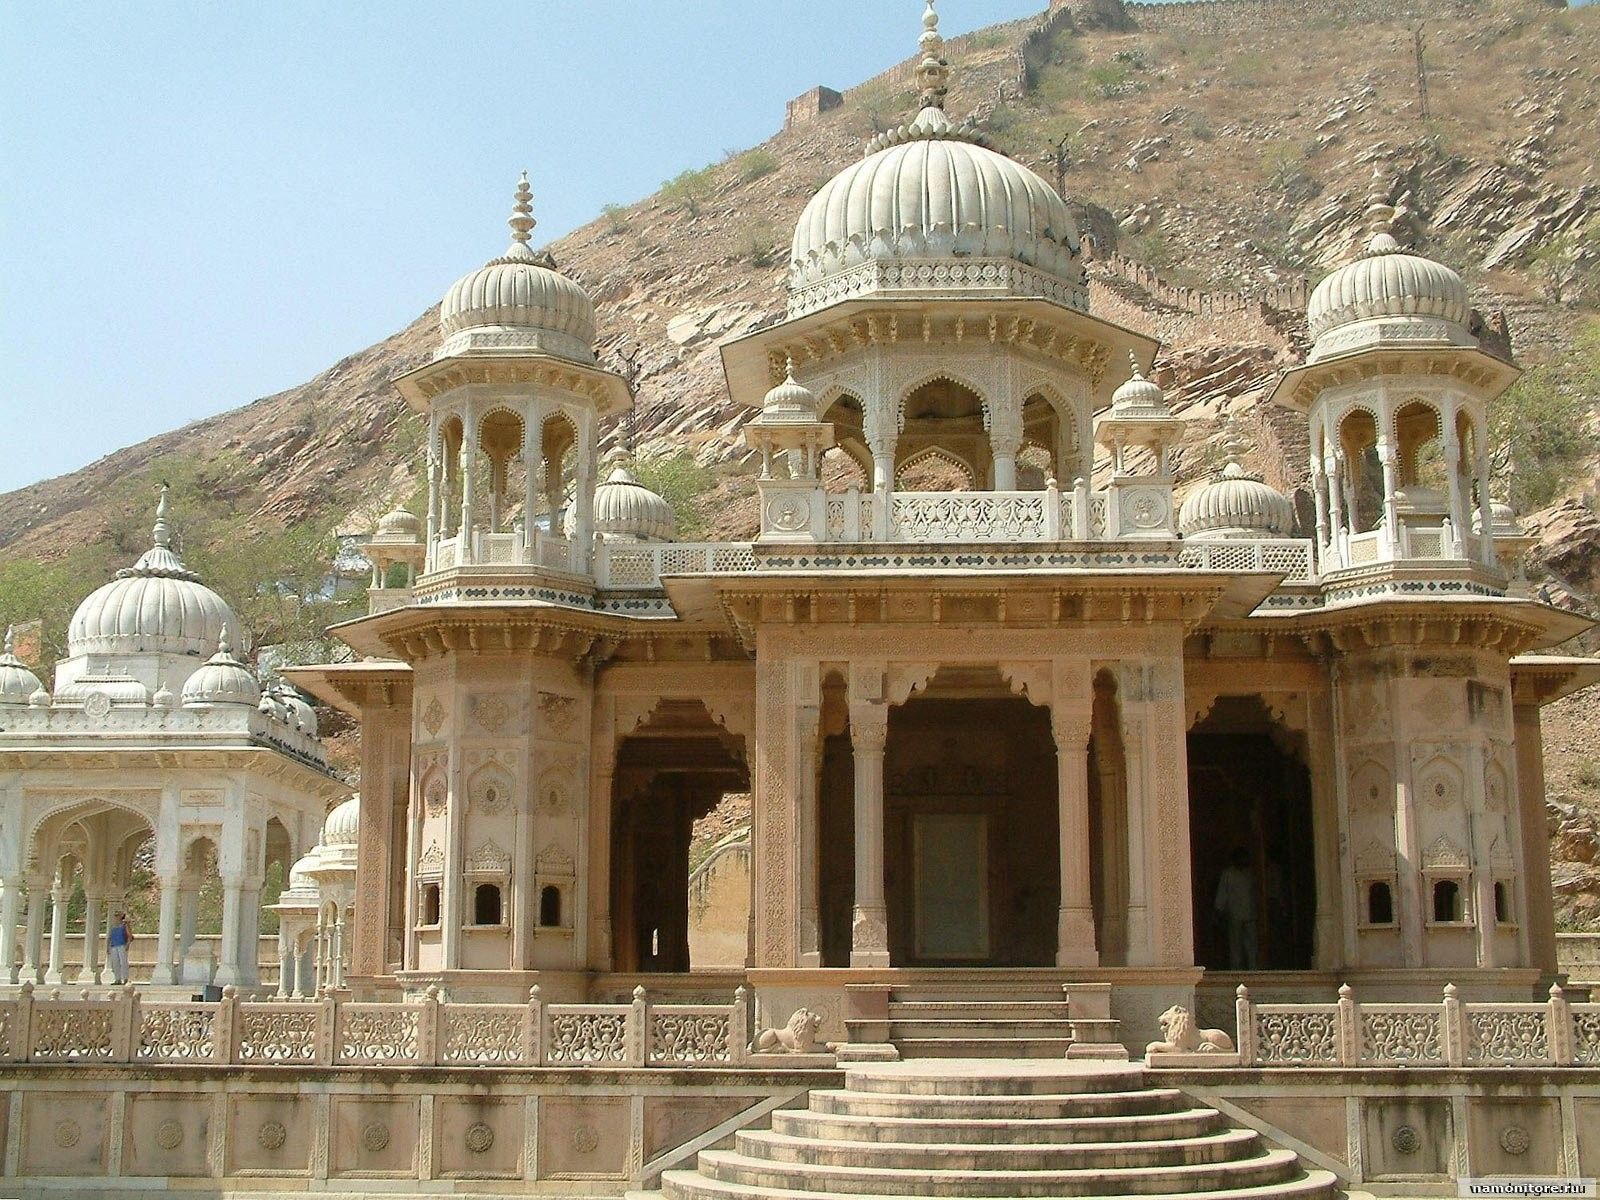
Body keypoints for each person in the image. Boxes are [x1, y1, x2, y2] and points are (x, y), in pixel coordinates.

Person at [1213, 848, 1257, 971]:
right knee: (1235, 945)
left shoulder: (1251, 873)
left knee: (1251, 944)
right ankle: (1236, 970)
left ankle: (1253, 969)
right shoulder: (1228, 874)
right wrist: (1219, 911)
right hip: (1234, 915)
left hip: (1250, 913)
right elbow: (1222, 894)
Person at [107, 912, 132, 985]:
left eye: (117, 916)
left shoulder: (124, 926)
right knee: (115, 963)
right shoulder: (113, 926)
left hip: (122, 945)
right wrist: (108, 947)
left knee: (123, 962)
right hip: (114, 946)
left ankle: (125, 978)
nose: (116, 918)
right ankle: (117, 979)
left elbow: (129, 936)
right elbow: (110, 937)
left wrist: (127, 944)